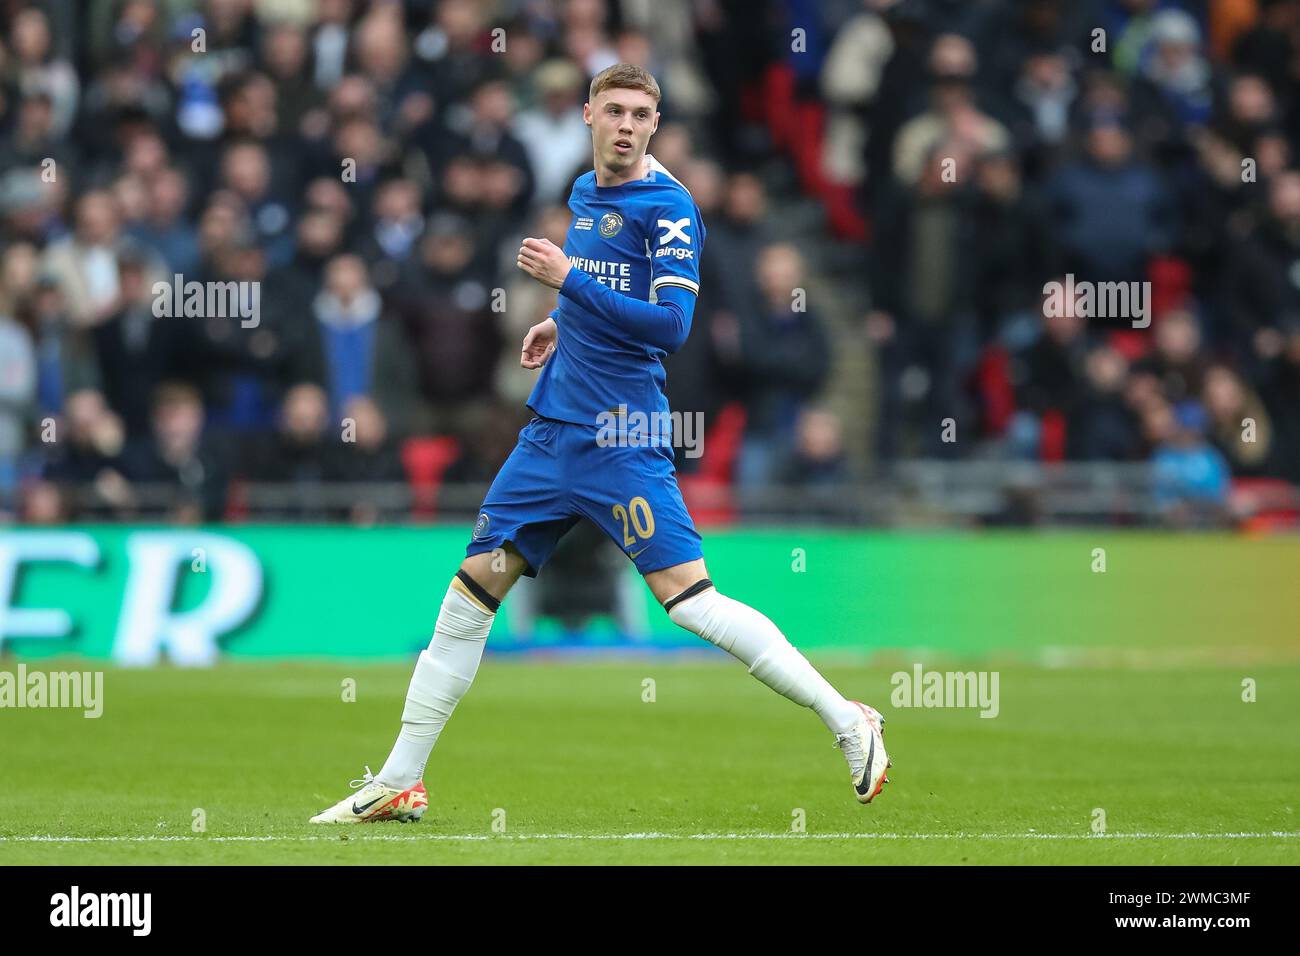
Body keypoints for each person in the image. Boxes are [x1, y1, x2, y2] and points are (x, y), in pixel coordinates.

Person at [310, 64, 890, 824]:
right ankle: (400, 778)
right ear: (587, 114)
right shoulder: (584, 192)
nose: (625, 124)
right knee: (468, 596)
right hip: (551, 434)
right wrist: (563, 323)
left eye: (640, 113)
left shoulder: (671, 206)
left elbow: (671, 327)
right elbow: (610, 301)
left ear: (656, 123)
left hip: (621, 437)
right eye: (613, 109)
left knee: (691, 603)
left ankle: (848, 719)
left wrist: (571, 280)